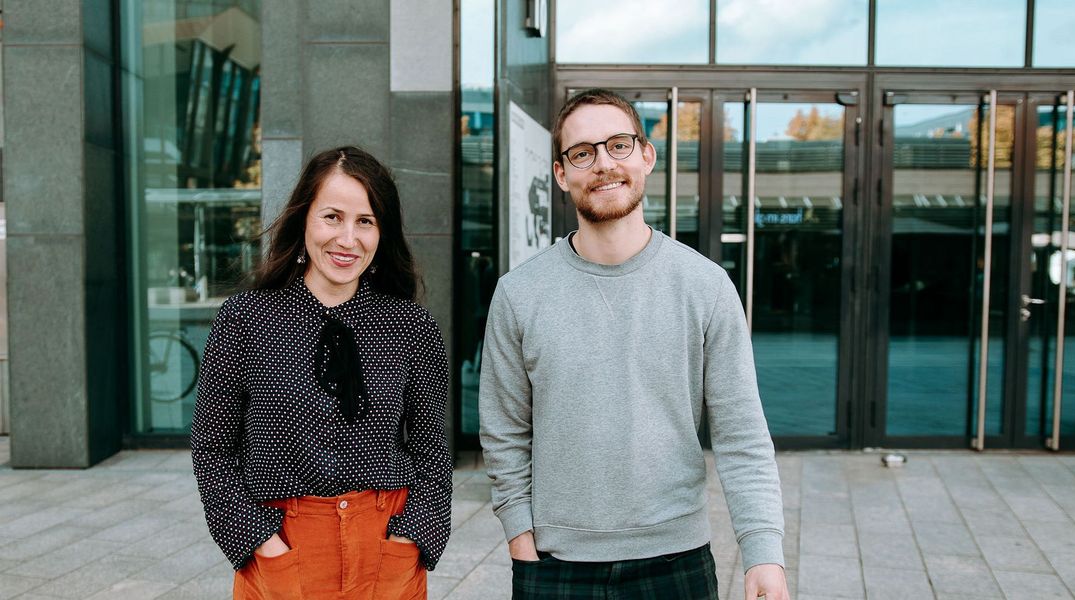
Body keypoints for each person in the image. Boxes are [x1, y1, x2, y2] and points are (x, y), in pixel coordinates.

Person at [479, 89, 789, 600]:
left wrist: (763, 552)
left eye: (618, 145)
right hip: (555, 565)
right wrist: (519, 534)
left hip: (676, 563)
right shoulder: (519, 293)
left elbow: (742, 435)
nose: (603, 163)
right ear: (561, 174)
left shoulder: (705, 286)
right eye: (582, 152)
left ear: (646, 155)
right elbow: (504, 429)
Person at [192, 146, 452, 600]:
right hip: (283, 547)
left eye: (365, 221)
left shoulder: (412, 326)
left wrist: (410, 539)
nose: (347, 239)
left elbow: (431, 452)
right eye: (332, 216)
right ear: (304, 219)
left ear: (382, 231)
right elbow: (213, 448)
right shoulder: (245, 319)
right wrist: (261, 544)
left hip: (386, 547)